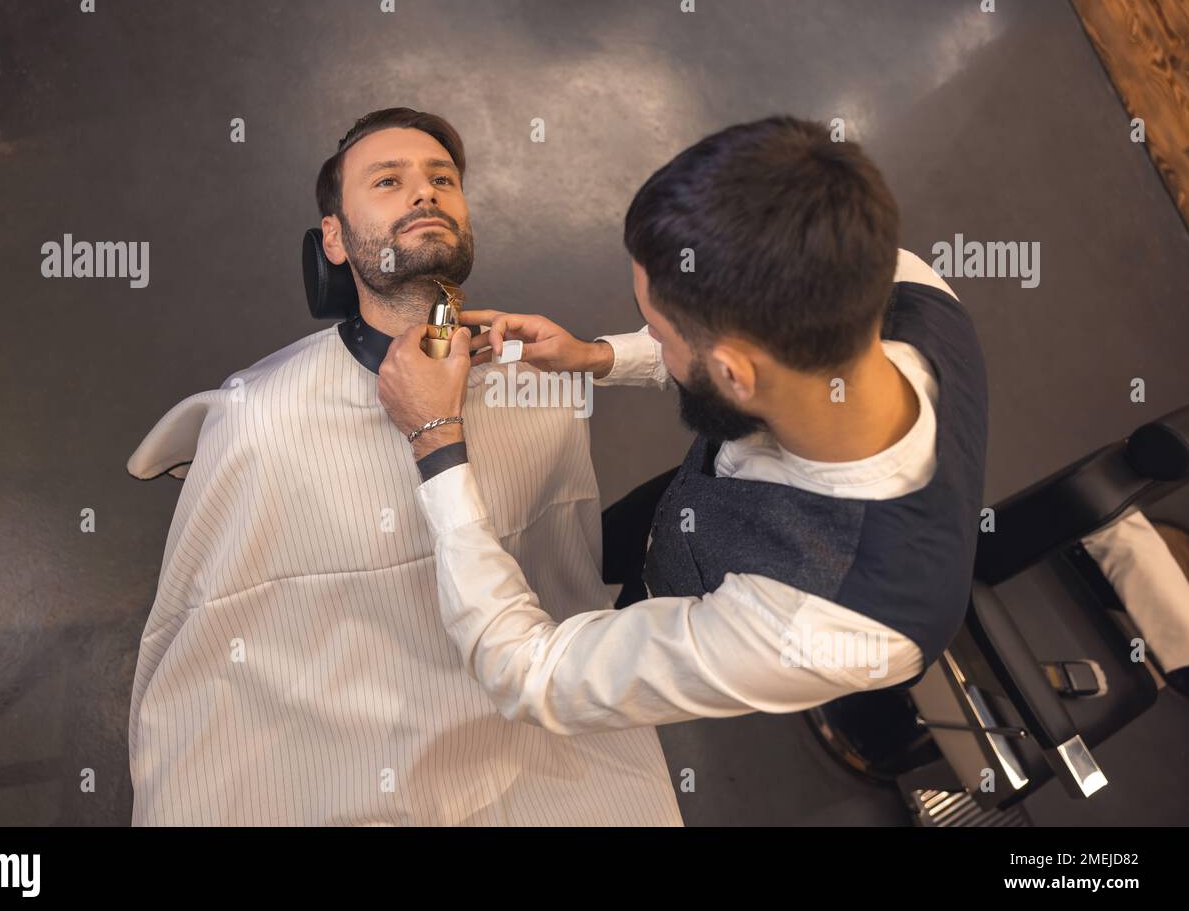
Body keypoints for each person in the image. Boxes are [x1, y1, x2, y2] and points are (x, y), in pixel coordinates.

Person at [125, 108, 681, 825]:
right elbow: (203, 636)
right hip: (330, 748)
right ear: (333, 238)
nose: (425, 193)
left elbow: (556, 568)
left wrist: (594, 356)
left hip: (528, 711)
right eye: (389, 180)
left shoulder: (541, 385)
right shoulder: (257, 420)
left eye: (442, 180)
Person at [377, 115, 990, 735]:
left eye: (661, 334)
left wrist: (434, 434)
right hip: (689, 506)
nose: (655, 344)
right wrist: (596, 355)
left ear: (735, 374)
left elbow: (530, 676)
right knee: (594, 543)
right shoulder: (894, 277)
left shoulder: (829, 620)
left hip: (728, 594)